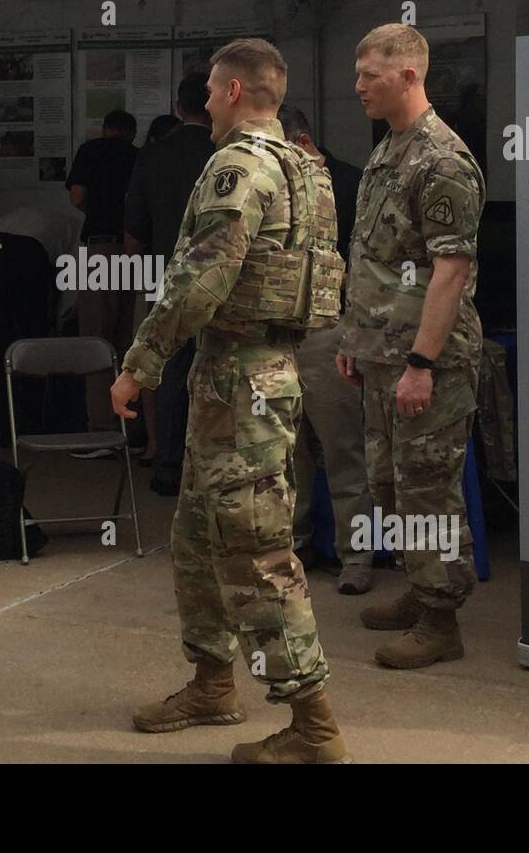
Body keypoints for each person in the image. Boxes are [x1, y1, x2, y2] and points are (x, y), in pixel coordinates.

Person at [111, 39, 350, 765]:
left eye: (213, 91)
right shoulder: (307, 166)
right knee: (197, 540)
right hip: (253, 375)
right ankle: (214, 682)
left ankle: (313, 725)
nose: (205, 103)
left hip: (240, 382)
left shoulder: (239, 165)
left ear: (239, 90)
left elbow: (202, 281)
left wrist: (140, 364)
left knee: (255, 553)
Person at [336, 23, 485, 670]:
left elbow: (450, 272)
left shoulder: (442, 160)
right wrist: (353, 337)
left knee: (427, 488)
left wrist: (422, 365)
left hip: (429, 361)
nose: (358, 85)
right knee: (390, 485)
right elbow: (370, 257)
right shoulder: (389, 149)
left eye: (369, 74)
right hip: (381, 355)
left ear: (408, 75)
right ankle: (420, 591)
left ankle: (441, 619)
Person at [277, 104, 375, 593]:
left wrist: (356, 334)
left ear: (302, 142)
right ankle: (295, 549)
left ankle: (356, 558)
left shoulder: (353, 185)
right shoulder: (271, 187)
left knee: (343, 453)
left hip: (330, 331)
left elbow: (368, 266)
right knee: (287, 453)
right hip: (280, 333)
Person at [123, 74, 214, 494]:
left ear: (178, 108)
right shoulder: (228, 152)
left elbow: (134, 231)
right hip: (223, 281)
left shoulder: (153, 156)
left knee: (168, 370)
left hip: (165, 276)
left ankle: (167, 464)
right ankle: (211, 471)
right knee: (219, 367)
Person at [67, 110, 138, 437]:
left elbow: (77, 197)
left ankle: (102, 429)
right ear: (131, 133)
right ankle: (134, 428)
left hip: (99, 249)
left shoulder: (90, 151)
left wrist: (98, 211)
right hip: (139, 252)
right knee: (132, 339)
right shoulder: (140, 157)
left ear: (106, 128)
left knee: (96, 340)